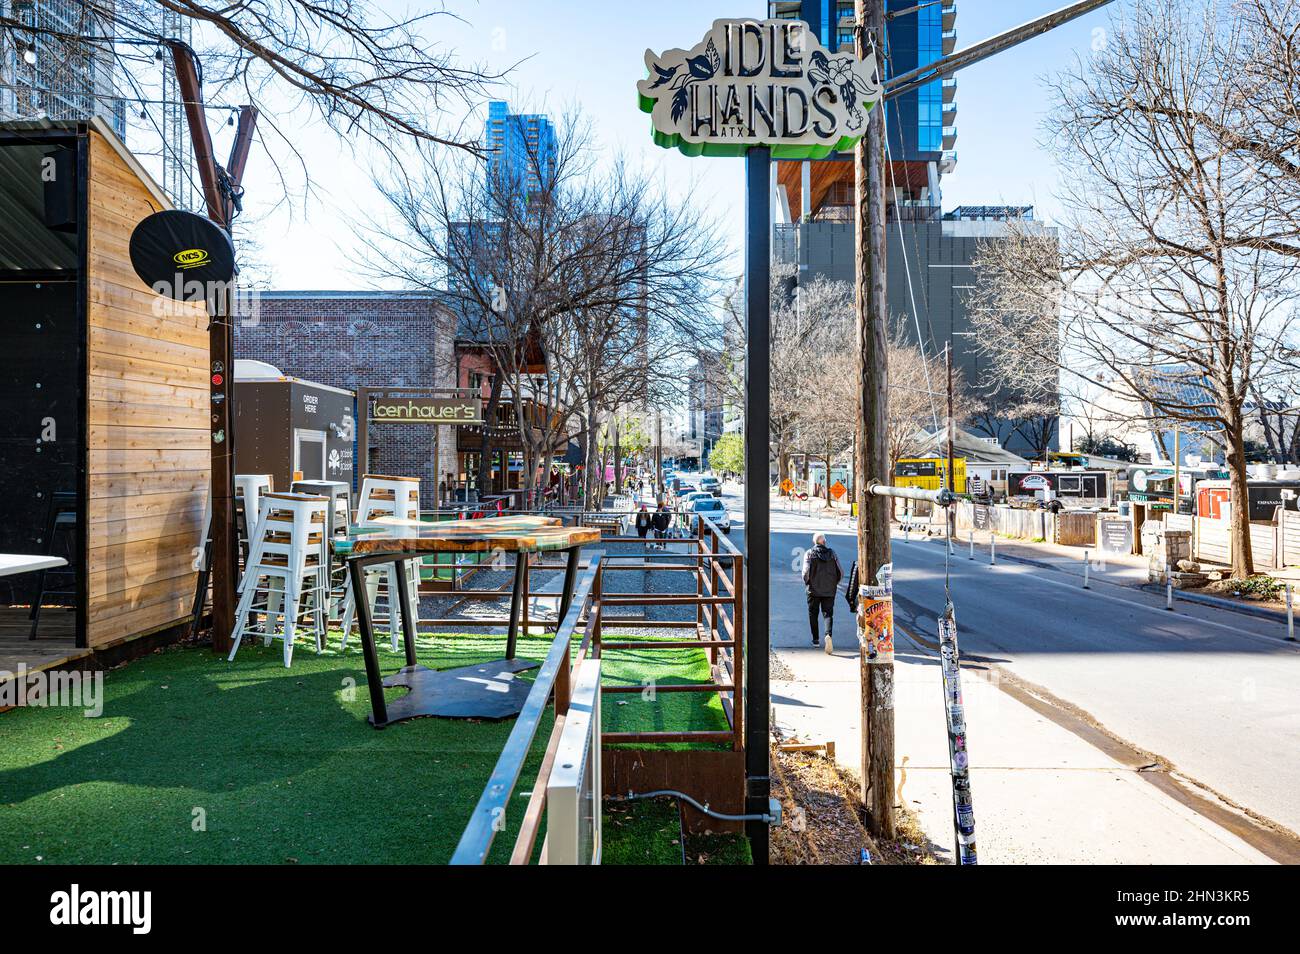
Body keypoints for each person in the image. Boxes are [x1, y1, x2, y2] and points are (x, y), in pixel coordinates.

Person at [802, 532, 843, 647]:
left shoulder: (809, 553)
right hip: (829, 590)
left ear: (814, 542)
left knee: (813, 614)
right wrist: (834, 583)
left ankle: (815, 640)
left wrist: (807, 582)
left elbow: (806, 572)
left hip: (813, 590)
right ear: (824, 542)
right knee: (828, 613)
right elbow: (840, 572)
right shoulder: (832, 553)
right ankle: (828, 635)